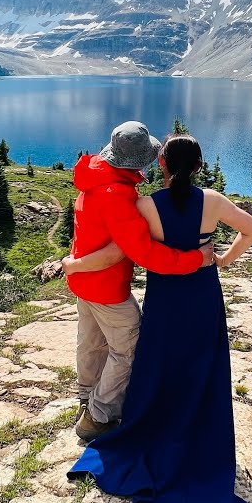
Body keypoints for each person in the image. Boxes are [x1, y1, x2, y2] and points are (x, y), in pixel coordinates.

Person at [64, 132, 252, 503]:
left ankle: (134, 416)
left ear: (162, 166)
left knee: (160, 359)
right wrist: (222, 259)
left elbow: (139, 252)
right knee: (201, 362)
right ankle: (199, 430)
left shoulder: (144, 205)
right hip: (203, 293)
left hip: (166, 296)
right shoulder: (214, 201)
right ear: (199, 166)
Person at [66, 121, 214, 443]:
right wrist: (195, 259)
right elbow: (145, 253)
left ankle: (86, 399)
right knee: (129, 347)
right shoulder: (118, 196)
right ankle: (98, 415)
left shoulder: (93, 177)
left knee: (90, 342)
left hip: (83, 283)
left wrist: (74, 265)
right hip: (107, 289)